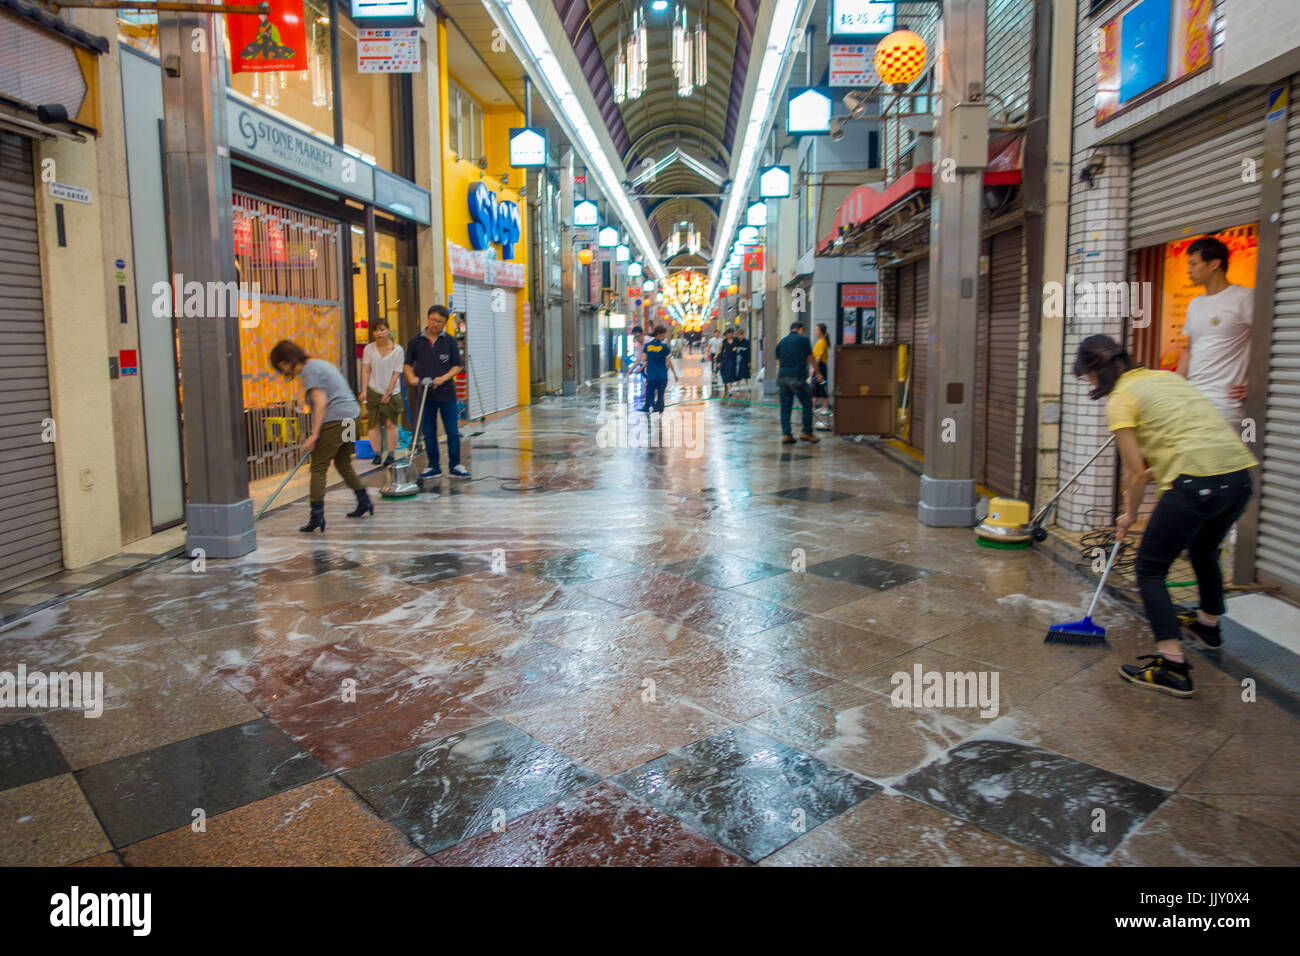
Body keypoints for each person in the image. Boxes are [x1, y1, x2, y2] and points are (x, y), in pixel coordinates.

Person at [1074, 335, 1258, 698]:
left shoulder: (1121, 398)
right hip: (1238, 479)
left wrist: (1128, 514)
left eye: (1087, 376)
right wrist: (1147, 479)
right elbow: (1187, 443)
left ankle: (1173, 668)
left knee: (1149, 569)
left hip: (1195, 484)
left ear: (1097, 371)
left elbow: (1134, 471)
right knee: (1204, 549)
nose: (1089, 382)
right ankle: (1208, 625)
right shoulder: (1166, 378)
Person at [269, 340, 372, 532]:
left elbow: (321, 402)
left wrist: (314, 435)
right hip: (351, 418)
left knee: (318, 467)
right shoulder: (319, 364)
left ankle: (317, 517)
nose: (283, 371)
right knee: (343, 463)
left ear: (286, 361)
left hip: (337, 419)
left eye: (281, 366)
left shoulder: (309, 370)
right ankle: (364, 501)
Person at [1177, 236, 1253, 431]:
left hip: (1225, 406)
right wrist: (1174, 388)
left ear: (1214, 264)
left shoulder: (1244, 298)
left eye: (1193, 264)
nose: (1188, 270)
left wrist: (1256, 382)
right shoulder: (1195, 304)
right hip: (1192, 403)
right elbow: (1190, 350)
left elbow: (1268, 342)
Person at [405, 304, 471, 480]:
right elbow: (407, 364)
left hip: (447, 394)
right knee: (429, 432)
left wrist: (443, 378)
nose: (435, 324)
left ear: (445, 323)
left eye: (440, 321)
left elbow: (457, 366)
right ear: (428, 319)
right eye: (433, 320)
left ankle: (455, 465)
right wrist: (411, 377)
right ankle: (433, 466)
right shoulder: (415, 341)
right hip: (425, 394)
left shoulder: (449, 341)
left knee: (452, 431)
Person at [359, 318, 403, 466]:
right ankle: (377, 454)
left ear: (388, 330)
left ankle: (390, 454)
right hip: (373, 390)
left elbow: (396, 374)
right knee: (374, 424)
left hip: (392, 392)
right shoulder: (368, 349)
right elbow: (366, 370)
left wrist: (388, 393)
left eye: (382, 329)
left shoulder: (398, 350)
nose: (379, 333)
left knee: (391, 423)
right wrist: (364, 390)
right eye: (376, 330)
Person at [775, 320, 823, 444]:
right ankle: (806, 432)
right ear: (800, 329)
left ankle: (786, 435)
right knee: (807, 403)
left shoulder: (782, 342)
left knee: (785, 407)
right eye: (803, 330)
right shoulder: (803, 340)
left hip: (782, 378)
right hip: (797, 377)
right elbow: (811, 358)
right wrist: (818, 372)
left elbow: (779, 360)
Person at [641, 325, 677, 415]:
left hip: (651, 376)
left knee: (650, 393)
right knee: (660, 395)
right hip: (662, 376)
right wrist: (674, 374)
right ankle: (660, 413)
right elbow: (668, 362)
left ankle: (650, 407)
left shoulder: (647, 346)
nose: (664, 337)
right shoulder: (664, 347)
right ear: (659, 334)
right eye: (663, 335)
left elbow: (644, 359)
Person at [812, 323, 832, 428]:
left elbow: (818, 357)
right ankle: (824, 407)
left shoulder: (821, 342)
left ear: (821, 331)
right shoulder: (822, 341)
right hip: (821, 366)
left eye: (817, 330)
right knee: (822, 386)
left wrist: (813, 369)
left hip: (819, 366)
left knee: (815, 387)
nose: (815, 332)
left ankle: (813, 407)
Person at [718, 329, 737, 395]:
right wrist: (719, 361)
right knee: (726, 373)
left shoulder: (735, 340)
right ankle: (729, 389)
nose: (731, 335)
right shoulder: (724, 341)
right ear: (727, 334)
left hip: (733, 359)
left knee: (731, 374)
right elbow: (721, 351)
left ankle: (729, 388)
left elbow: (739, 346)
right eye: (730, 334)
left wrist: (736, 348)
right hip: (725, 359)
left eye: (732, 334)